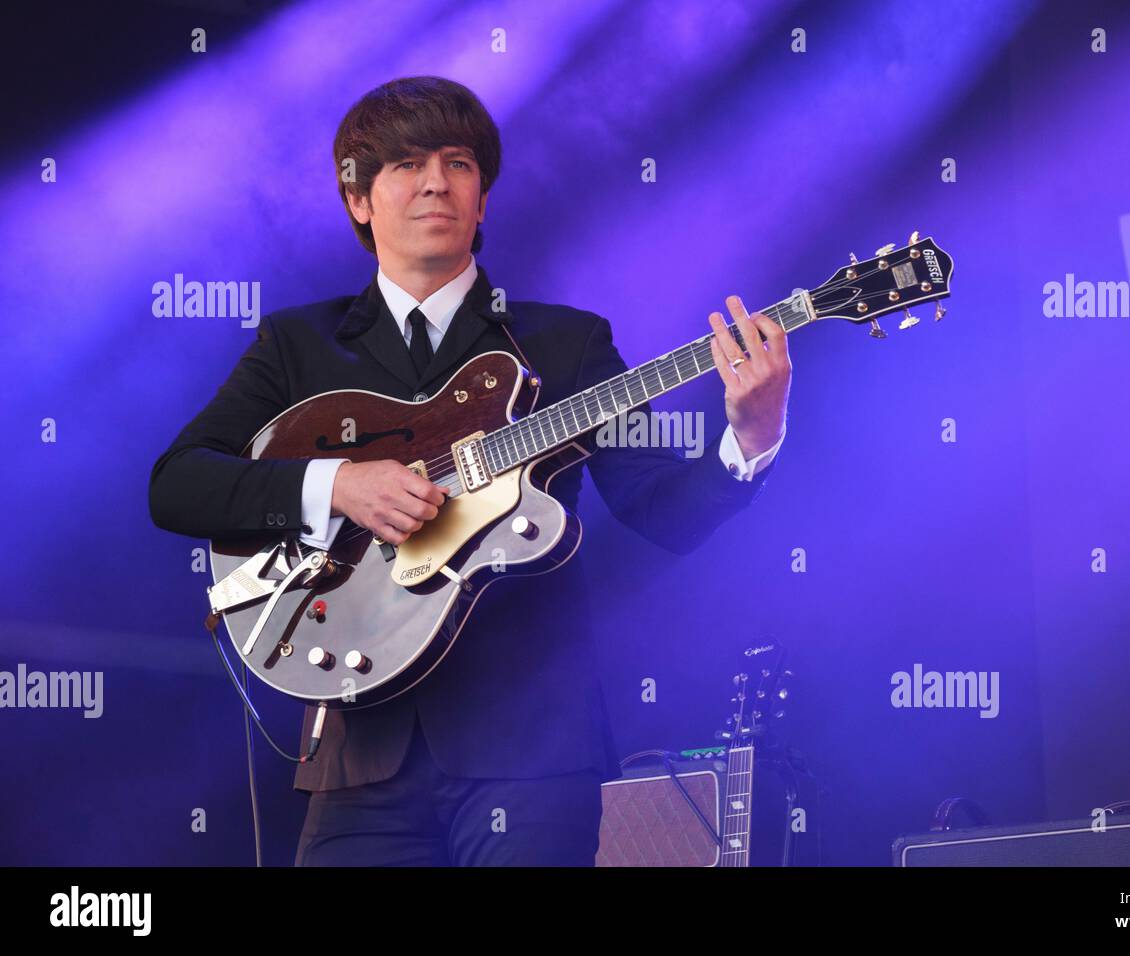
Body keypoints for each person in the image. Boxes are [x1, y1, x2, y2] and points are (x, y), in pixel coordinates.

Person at [148, 75, 791, 866]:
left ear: (482, 199)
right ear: (359, 200)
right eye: (405, 164)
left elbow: (661, 509)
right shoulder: (297, 346)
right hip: (359, 752)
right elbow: (179, 482)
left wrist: (752, 435)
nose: (434, 182)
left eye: (457, 163)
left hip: (530, 750)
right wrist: (337, 486)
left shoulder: (566, 346)